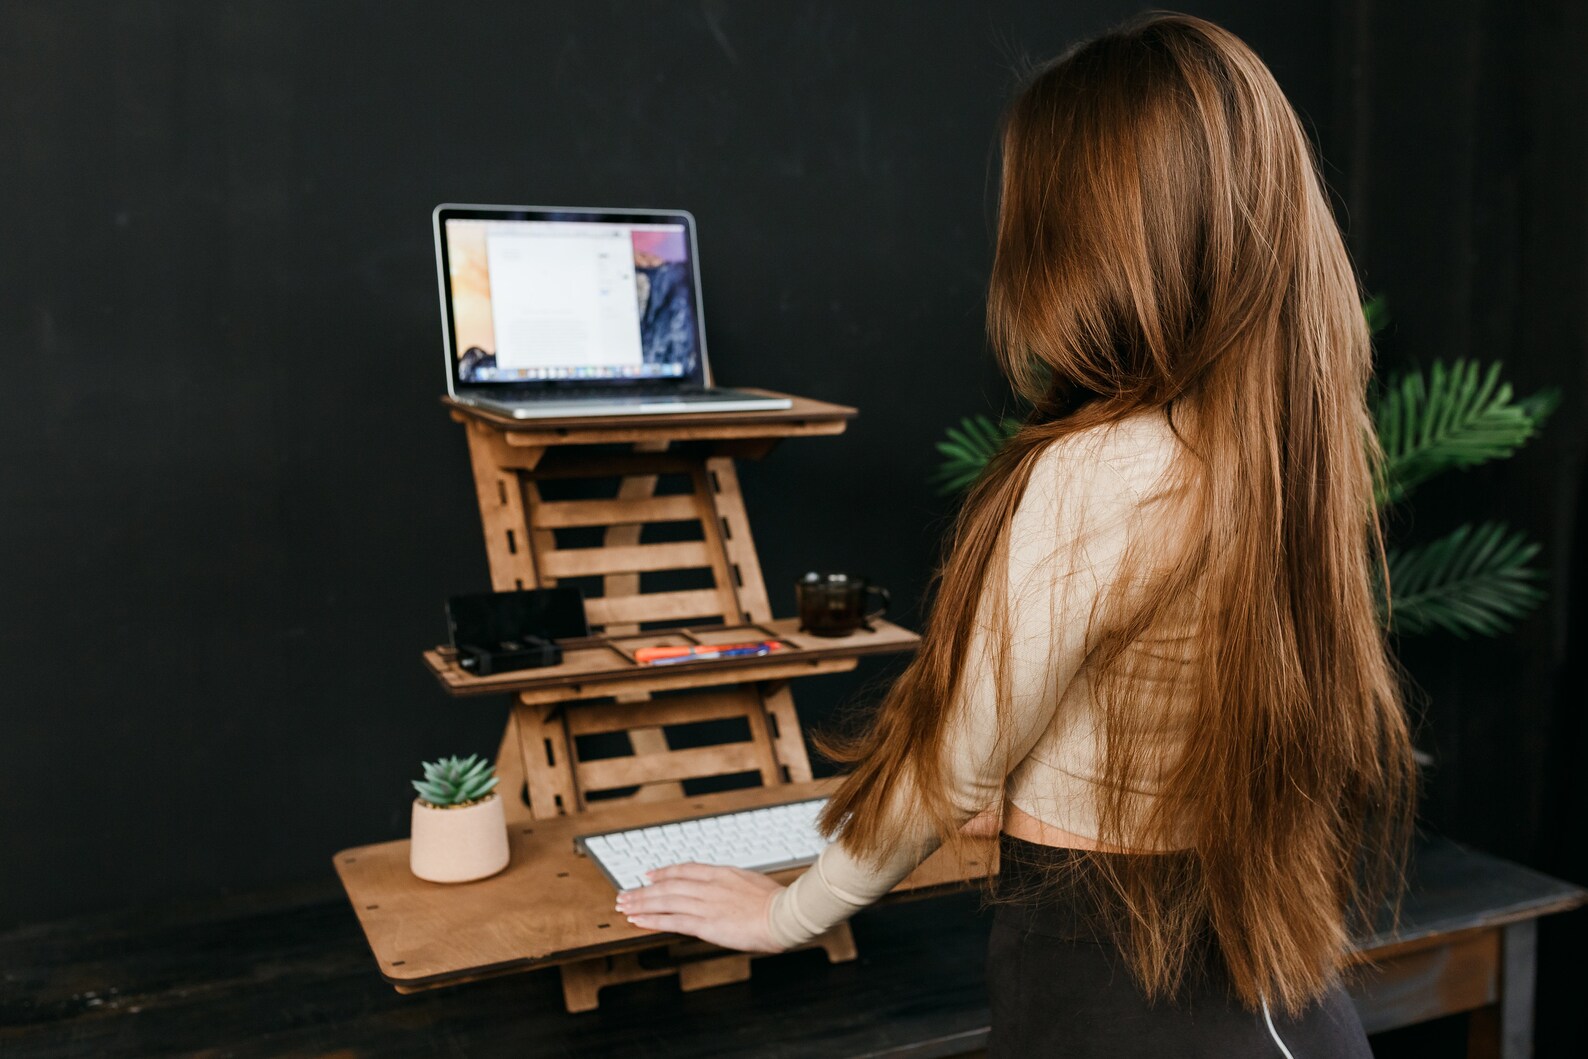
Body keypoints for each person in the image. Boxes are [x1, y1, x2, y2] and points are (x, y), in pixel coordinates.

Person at [615, 12, 1417, 1055]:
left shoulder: (1104, 469)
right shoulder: (1284, 454)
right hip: (1276, 1002)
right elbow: (1146, 696)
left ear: (1085, 238)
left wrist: (785, 912)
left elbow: (954, 760)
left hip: (1115, 995)